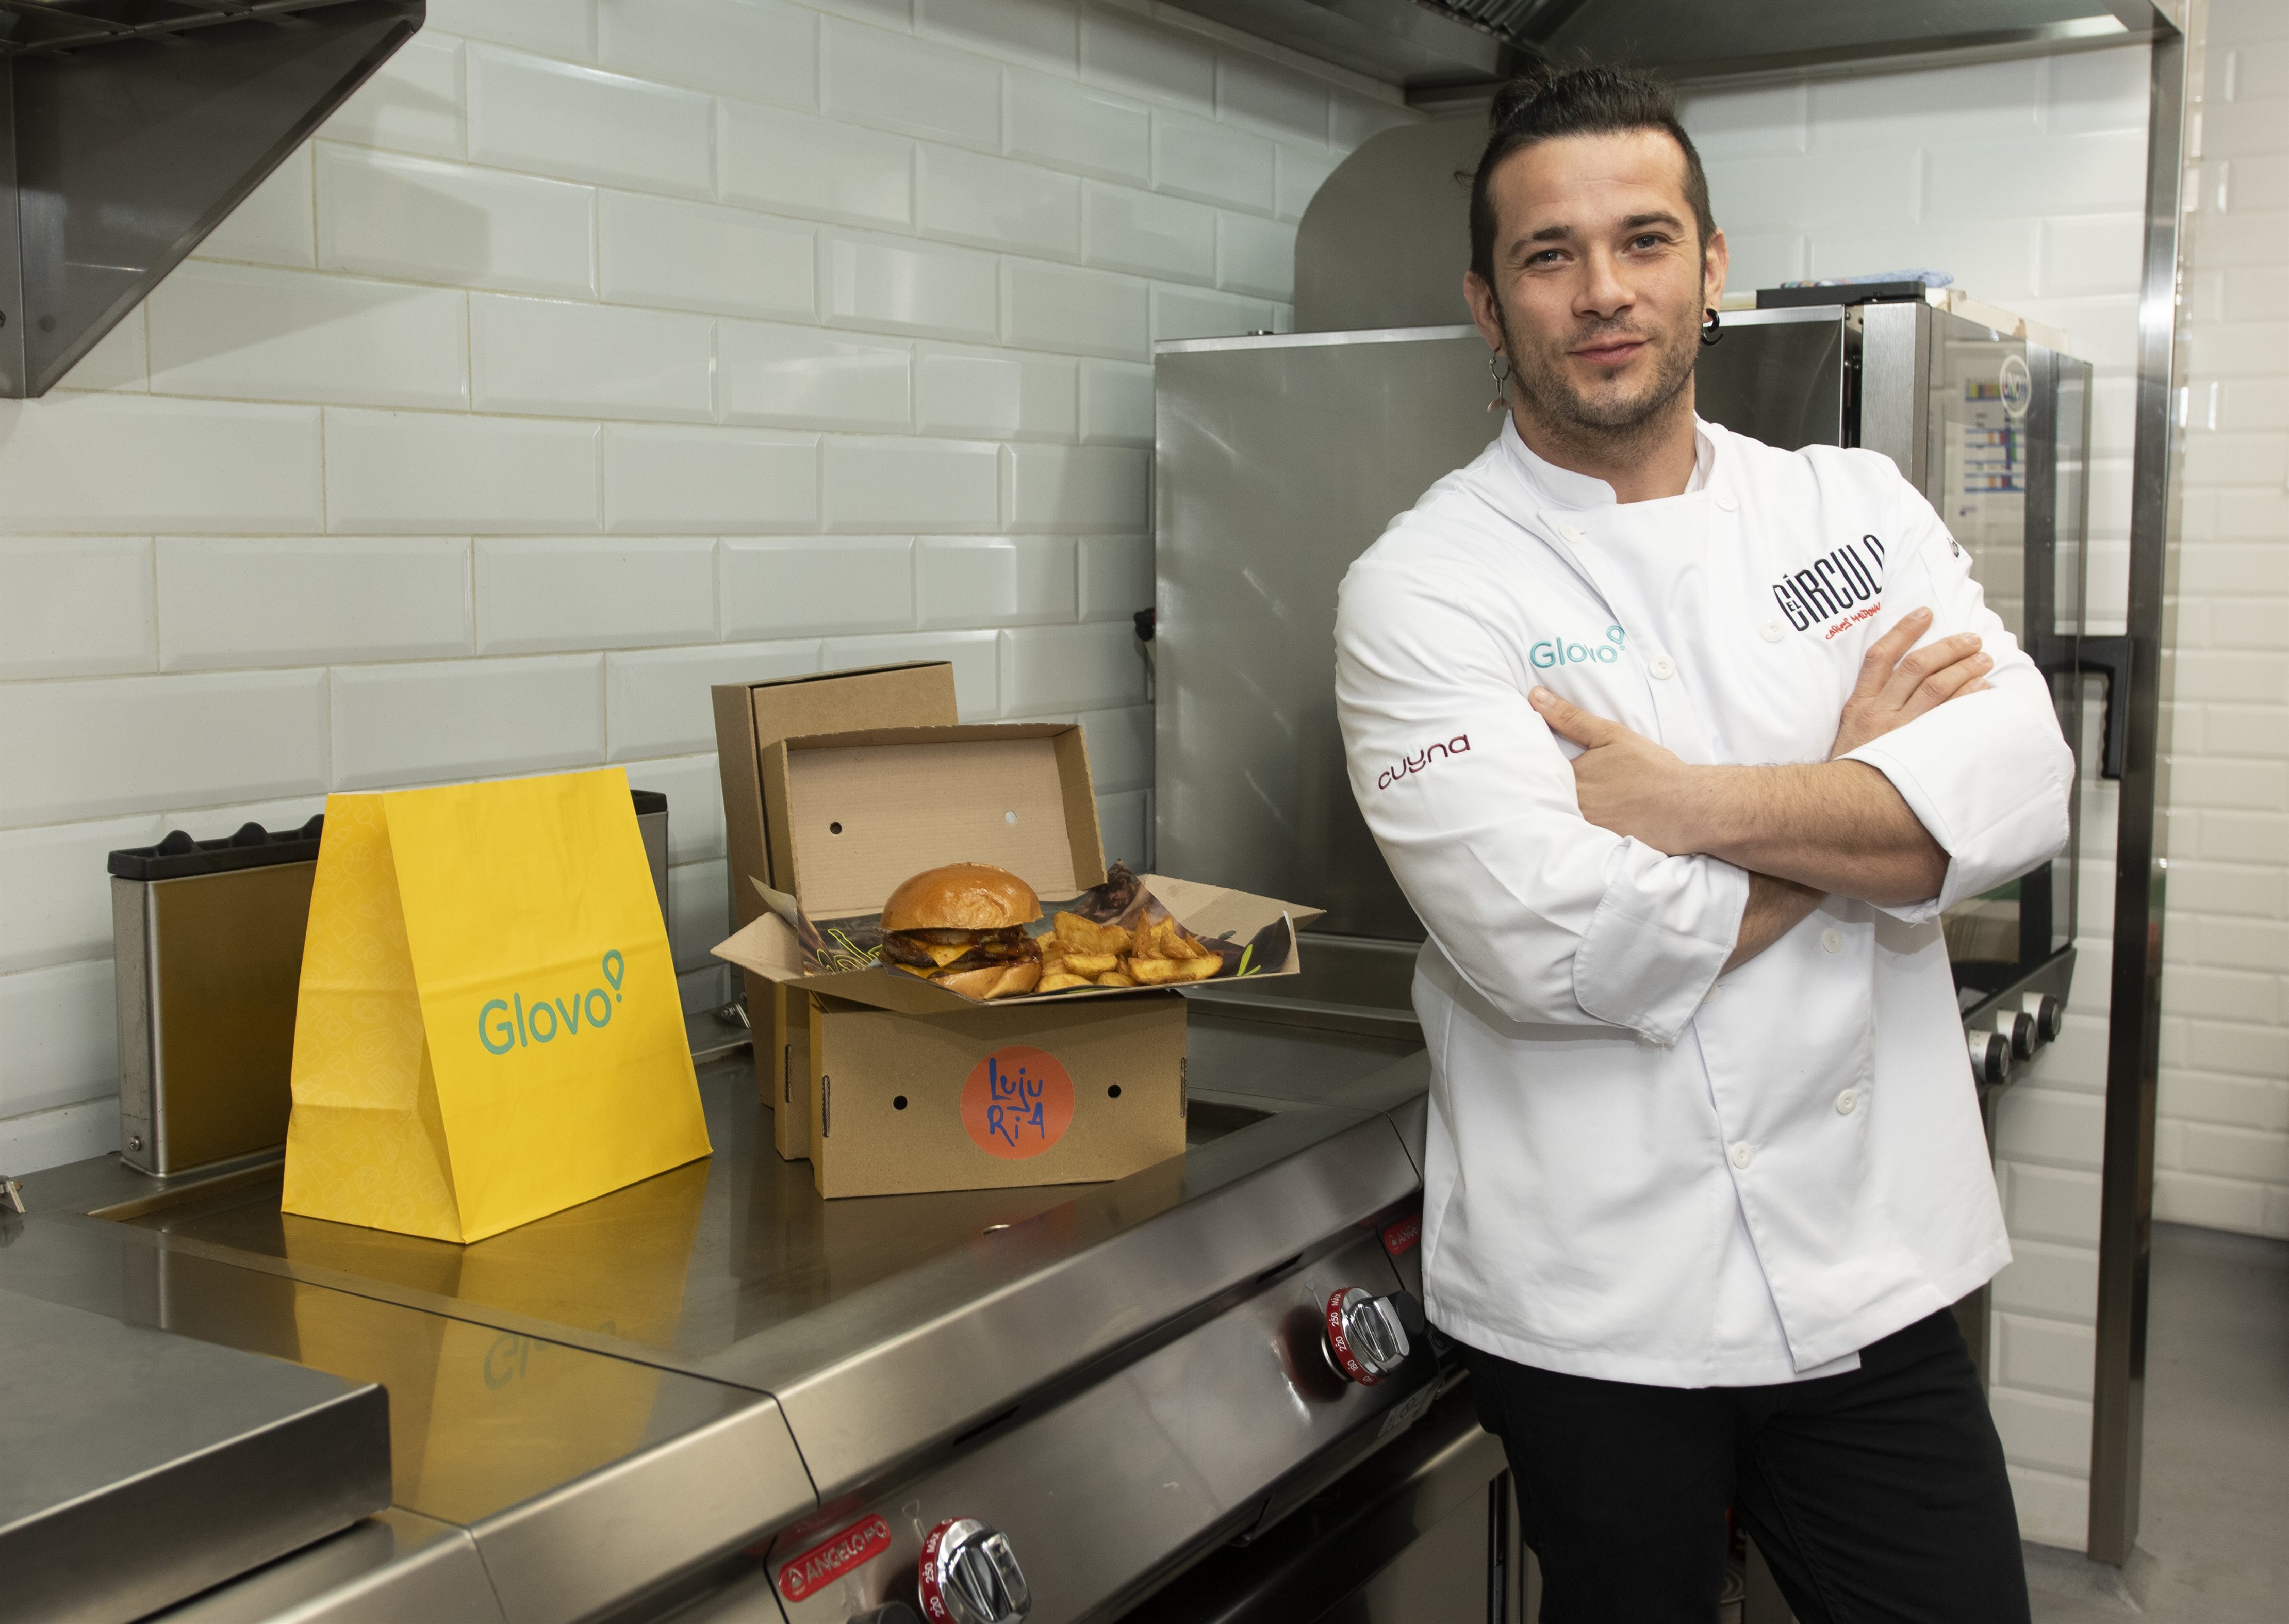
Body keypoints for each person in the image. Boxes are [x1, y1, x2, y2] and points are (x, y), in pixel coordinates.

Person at [1332, 65, 2072, 1624]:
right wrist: (1870, 797)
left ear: (1712, 265)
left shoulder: (1849, 509)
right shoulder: (1424, 587)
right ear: (1488, 303)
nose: (1604, 291)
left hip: (1873, 1264)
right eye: (1550, 255)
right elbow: (1561, 945)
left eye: (1645, 240)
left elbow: (2016, 787)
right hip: (1603, 1304)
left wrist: (1692, 803)